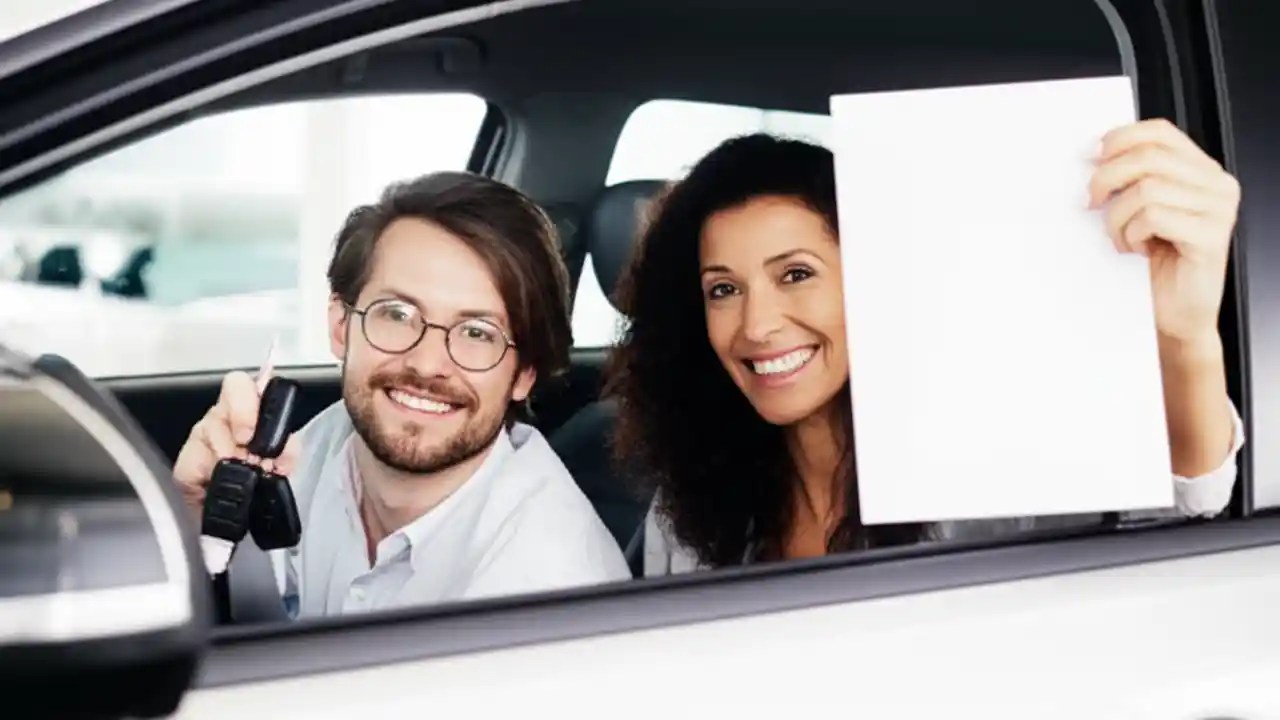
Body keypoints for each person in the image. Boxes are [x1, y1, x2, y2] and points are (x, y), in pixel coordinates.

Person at [607, 125, 1246, 575]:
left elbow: (1189, 503)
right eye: (724, 289)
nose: (758, 324)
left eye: (796, 274)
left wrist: (1184, 337)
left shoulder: (987, 460)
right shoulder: (686, 504)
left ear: (874, 278)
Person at [174, 172, 629, 616]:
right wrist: (193, 520)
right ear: (340, 325)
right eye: (397, 314)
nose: (427, 364)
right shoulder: (327, 442)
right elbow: (256, 616)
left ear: (524, 374)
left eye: (477, 332)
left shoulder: (548, 586)